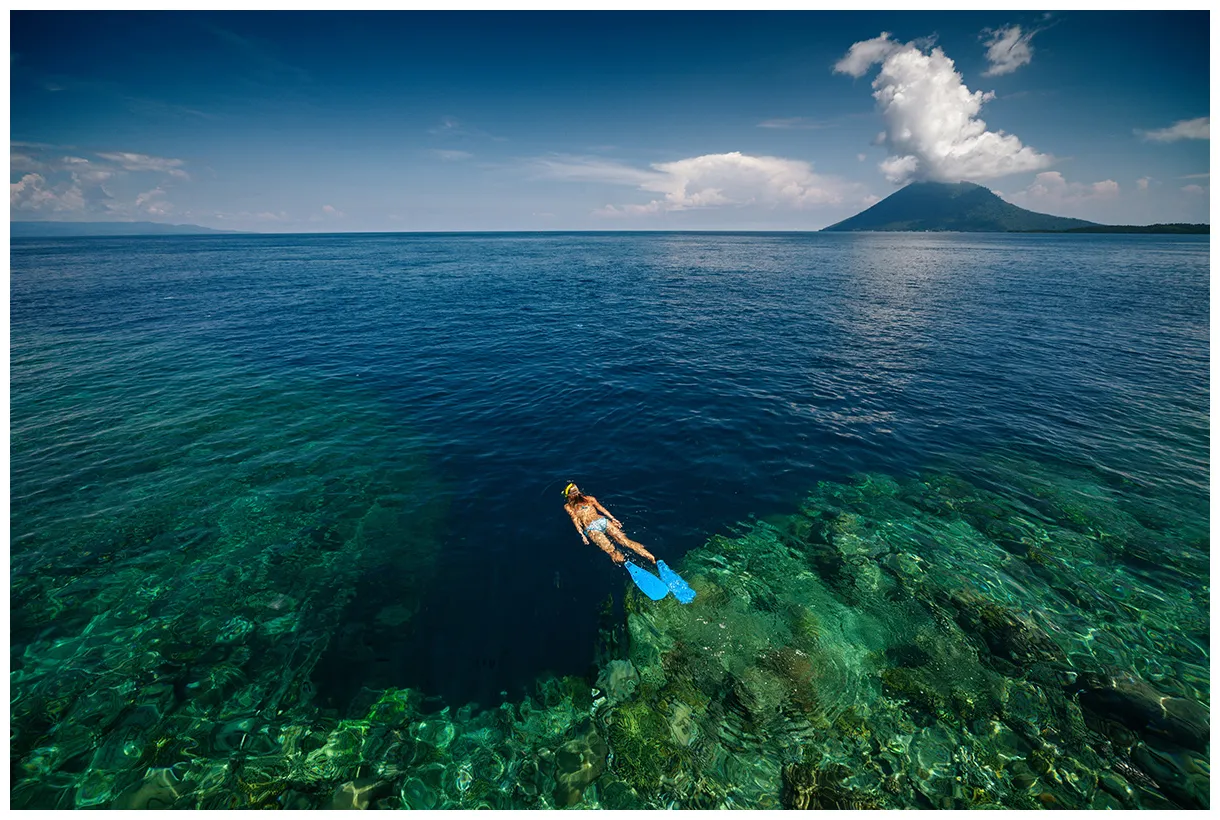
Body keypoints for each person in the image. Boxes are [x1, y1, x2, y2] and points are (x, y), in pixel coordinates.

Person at [562, 482, 656, 566]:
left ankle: (638, 560)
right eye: (575, 492)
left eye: (576, 491)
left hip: (596, 525)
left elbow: (579, 518)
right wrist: (613, 519)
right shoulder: (579, 503)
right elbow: (598, 511)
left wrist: (582, 534)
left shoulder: (579, 503)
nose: (577, 493)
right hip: (598, 525)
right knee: (619, 545)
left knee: (617, 546)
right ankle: (644, 559)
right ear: (573, 494)